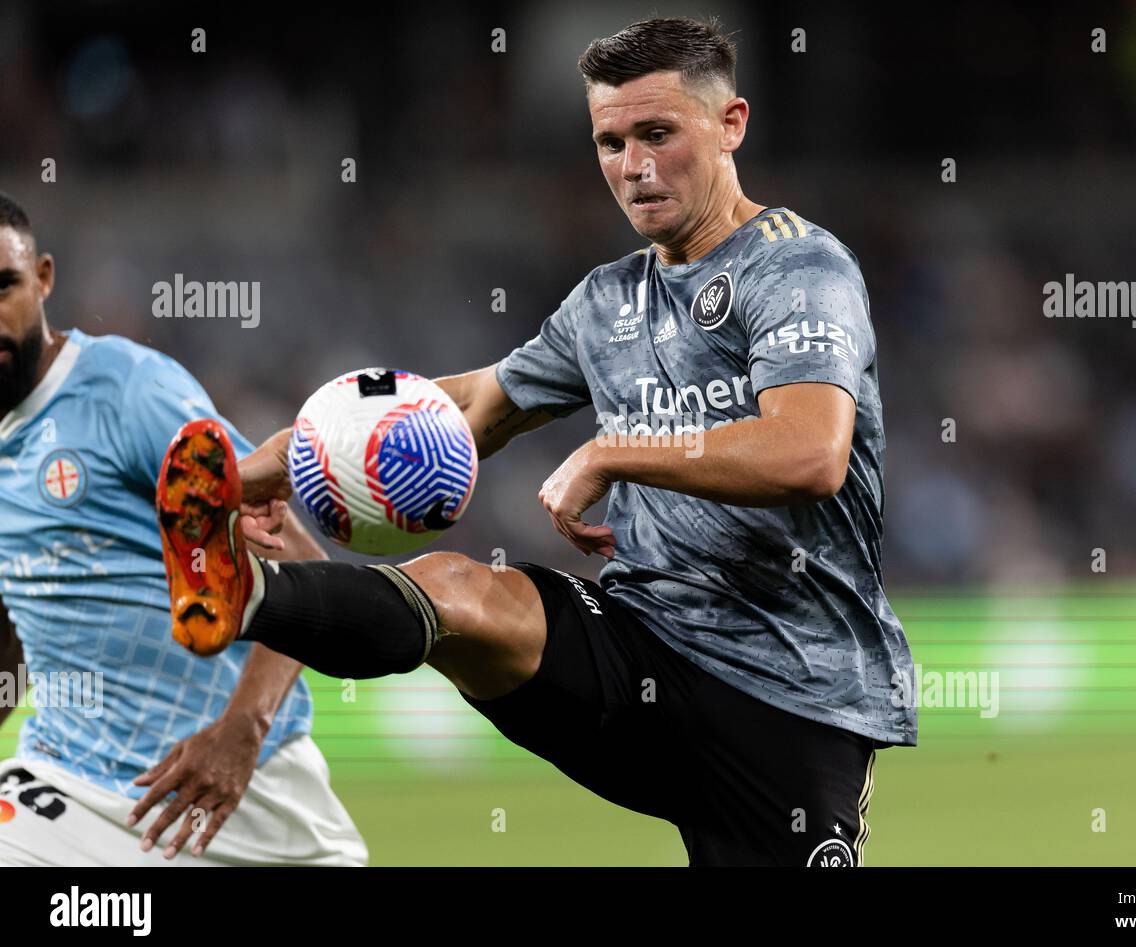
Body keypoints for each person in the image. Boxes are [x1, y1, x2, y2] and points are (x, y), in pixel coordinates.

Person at [160, 16, 916, 866]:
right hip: (644, 647)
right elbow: (462, 409)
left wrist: (607, 452)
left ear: (731, 124)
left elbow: (809, 455)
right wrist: (243, 476)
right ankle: (240, 594)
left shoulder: (797, 268)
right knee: (454, 592)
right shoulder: (605, 302)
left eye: (658, 135)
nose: (633, 167)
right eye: (611, 142)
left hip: (791, 698)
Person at [0, 192, 366, 865]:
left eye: (4, 287)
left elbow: (310, 572)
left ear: (44, 278)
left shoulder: (129, 393)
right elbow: (13, 623)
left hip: (230, 793)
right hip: (64, 786)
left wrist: (241, 732)